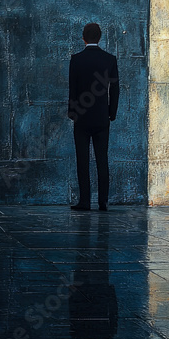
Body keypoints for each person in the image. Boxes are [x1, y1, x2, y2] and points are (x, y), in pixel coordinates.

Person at [67, 23, 119, 211]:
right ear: (100, 37)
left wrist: (72, 113)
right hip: (102, 117)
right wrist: (111, 113)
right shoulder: (110, 60)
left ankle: (85, 201)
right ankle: (103, 201)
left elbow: (72, 88)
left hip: (81, 117)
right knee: (102, 159)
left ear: (83, 38)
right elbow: (115, 89)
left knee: (83, 161)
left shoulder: (76, 60)